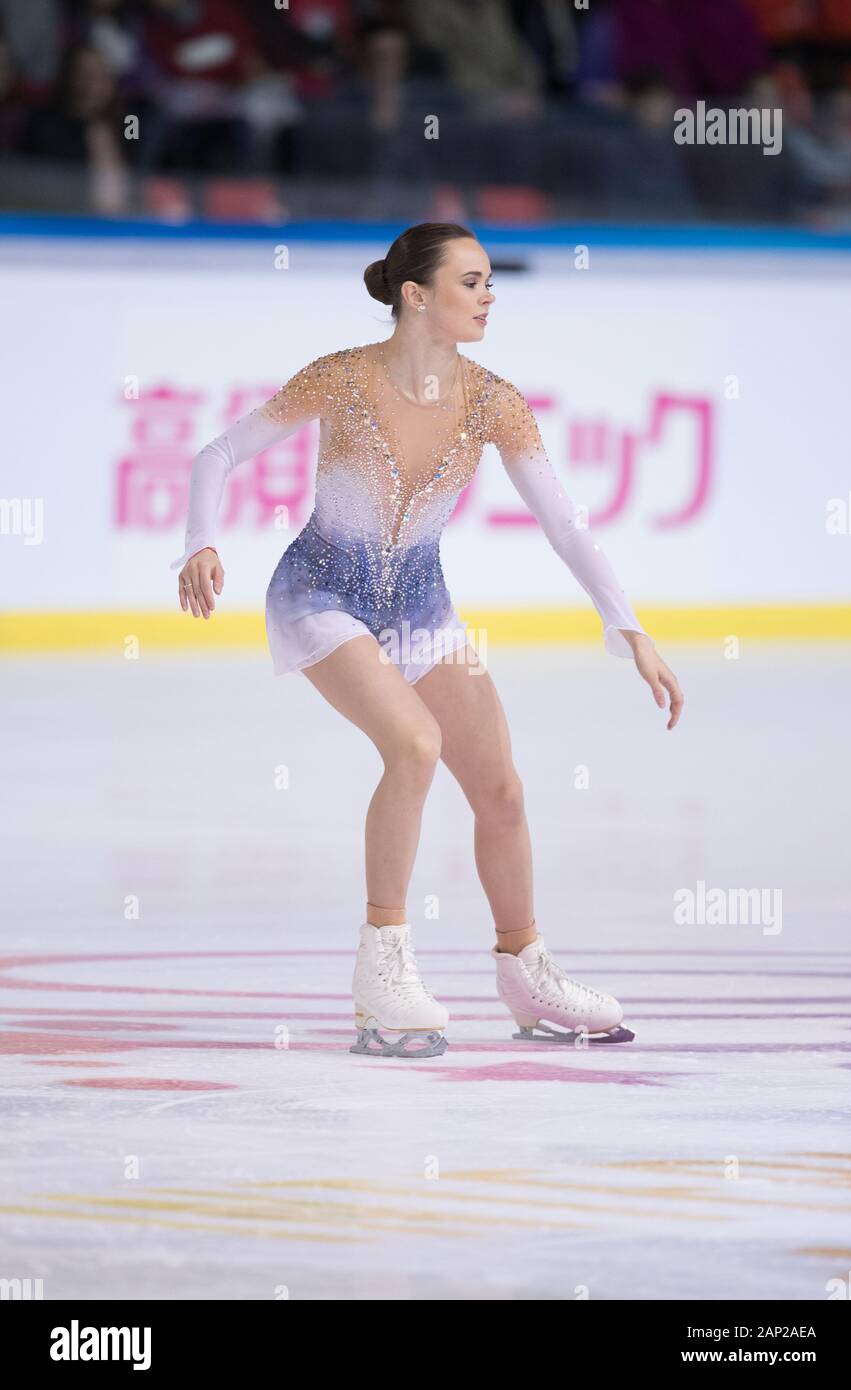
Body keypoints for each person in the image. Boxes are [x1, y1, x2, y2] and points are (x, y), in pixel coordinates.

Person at [171, 222, 684, 1058]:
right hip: (321, 594)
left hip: (419, 607)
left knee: (502, 789)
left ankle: (527, 972)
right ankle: (381, 974)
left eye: (490, 283)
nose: (489, 297)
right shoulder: (341, 378)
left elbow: (565, 523)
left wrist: (626, 625)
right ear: (417, 295)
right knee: (413, 744)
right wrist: (198, 540)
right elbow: (219, 453)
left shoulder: (492, 400)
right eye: (471, 282)